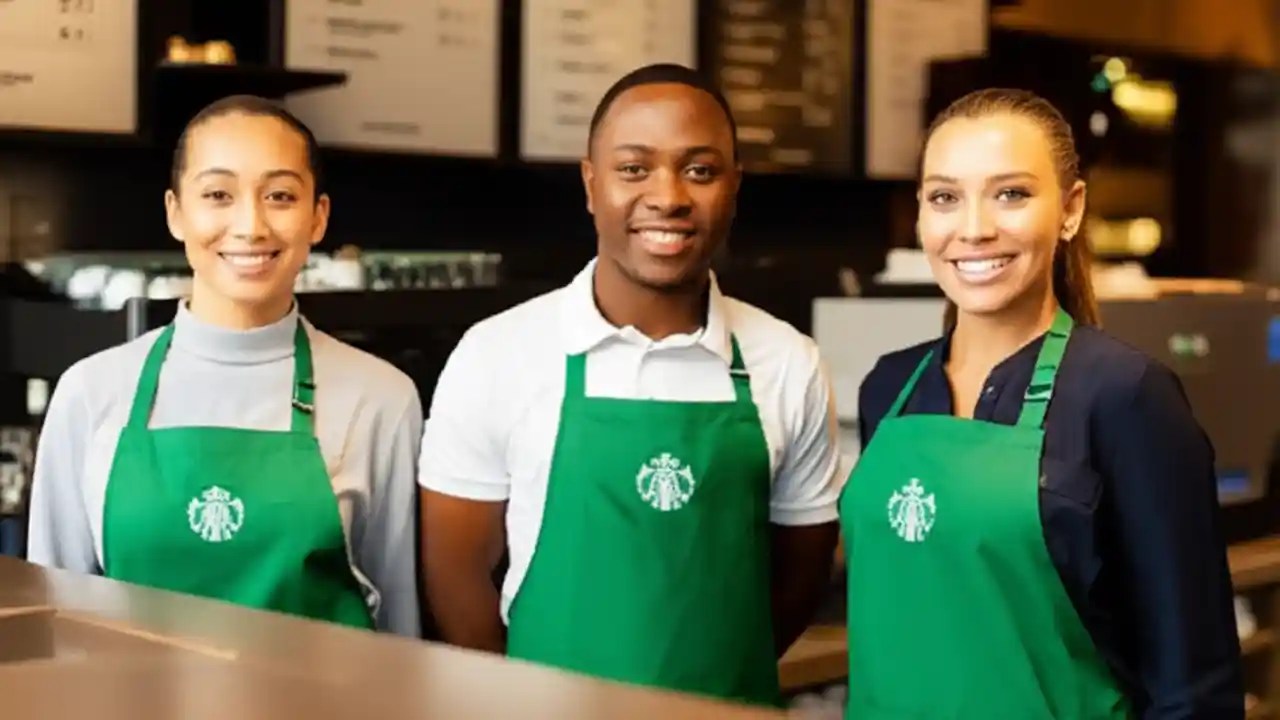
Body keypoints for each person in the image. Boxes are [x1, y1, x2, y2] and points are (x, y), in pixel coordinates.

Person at [419, 63, 843, 707]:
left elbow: (797, 583)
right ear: (591, 184)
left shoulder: (788, 363)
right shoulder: (496, 354)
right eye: (634, 168)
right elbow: (454, 581)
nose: (668, 196)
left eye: (699, 170)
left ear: (733, 186)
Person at [843, 87, 1244, 718]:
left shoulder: (1125, 396)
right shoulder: (888, 388)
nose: (973, 228)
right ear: (919, 215)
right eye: (945, 197)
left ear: (1071, 209)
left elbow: (1194, 685)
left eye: (1011, 194)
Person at [26, 95, 423, 638]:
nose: (251, 225)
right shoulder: (91, 392)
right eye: (218, 195)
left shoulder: (381, 399)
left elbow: (400, 631)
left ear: (318, 218)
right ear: (175, 213)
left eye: (280, 196)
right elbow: (53, 619)